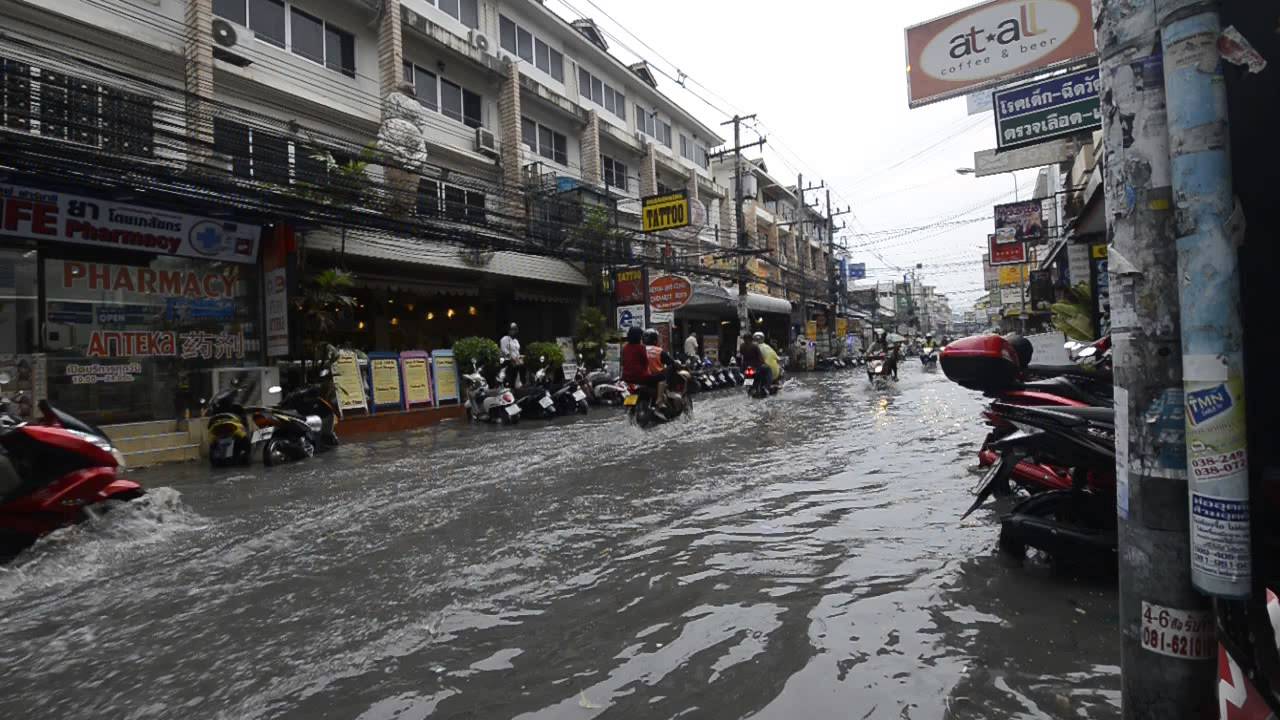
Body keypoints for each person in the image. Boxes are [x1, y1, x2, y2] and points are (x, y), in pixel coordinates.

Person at [499, 322, 523, 387]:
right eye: (513, 329)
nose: (515, 331)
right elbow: (504, 350)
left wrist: (520, 357)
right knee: (509, 378)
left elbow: (517, 351)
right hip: (508, 362)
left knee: (519, 372)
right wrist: (512, 357)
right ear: (509, 330)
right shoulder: (505, 339)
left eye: (516, 330)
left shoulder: (516, 341)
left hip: (516, 362)